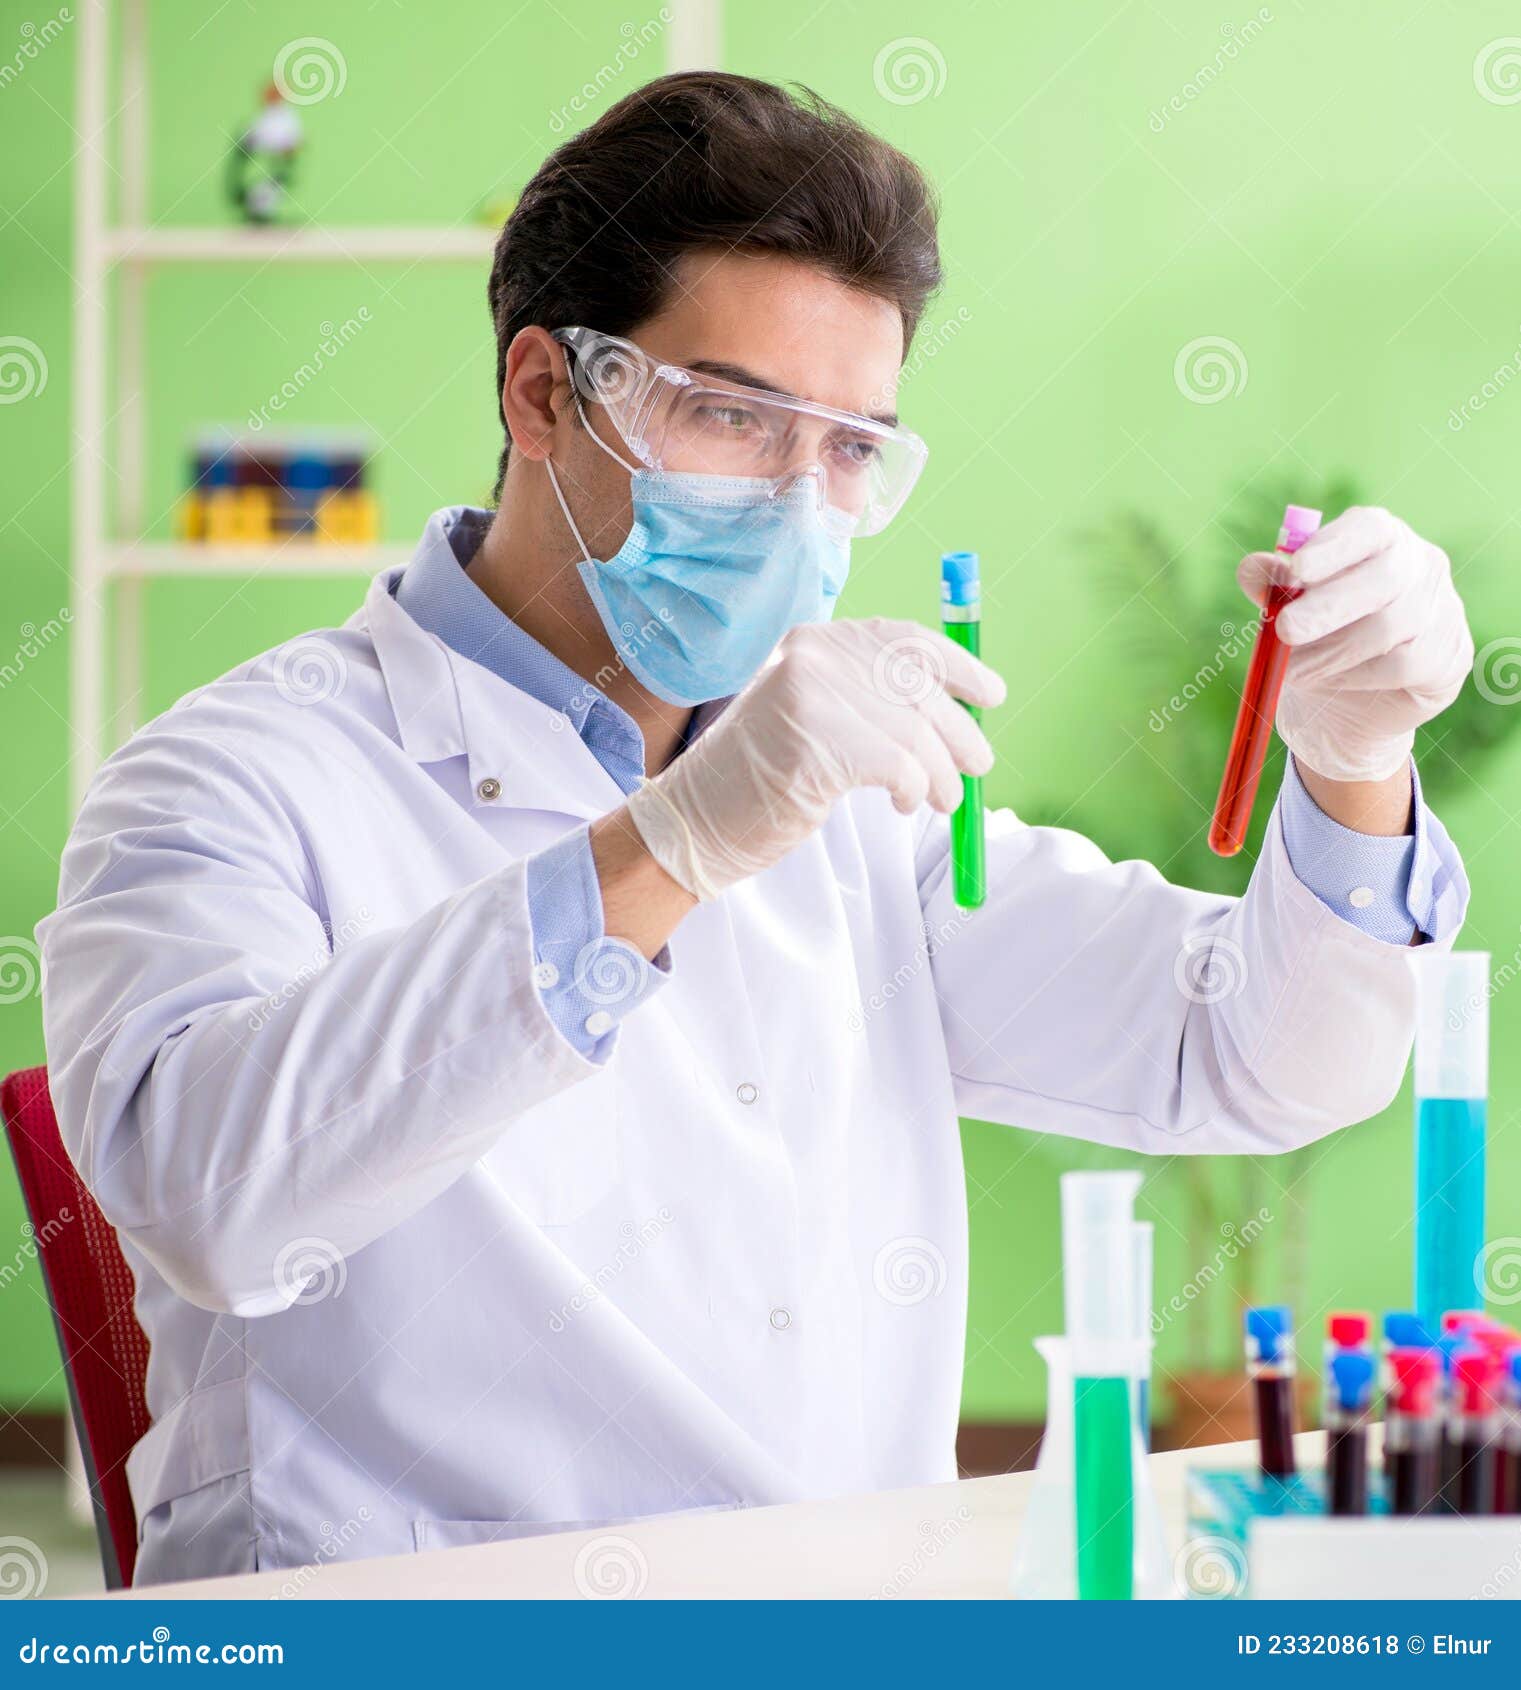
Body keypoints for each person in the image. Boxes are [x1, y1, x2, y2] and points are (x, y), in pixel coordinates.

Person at [39, 72, 1472, 1584]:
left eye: (852, 446)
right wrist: (681, 841)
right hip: (405, 1622)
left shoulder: (854, 800)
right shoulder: (232, 774)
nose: (802, 503)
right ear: (544, 393)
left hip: (829, 1610)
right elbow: (208, 1198)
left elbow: (1255, 1059)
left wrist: (1353, 762)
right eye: (732, 413)